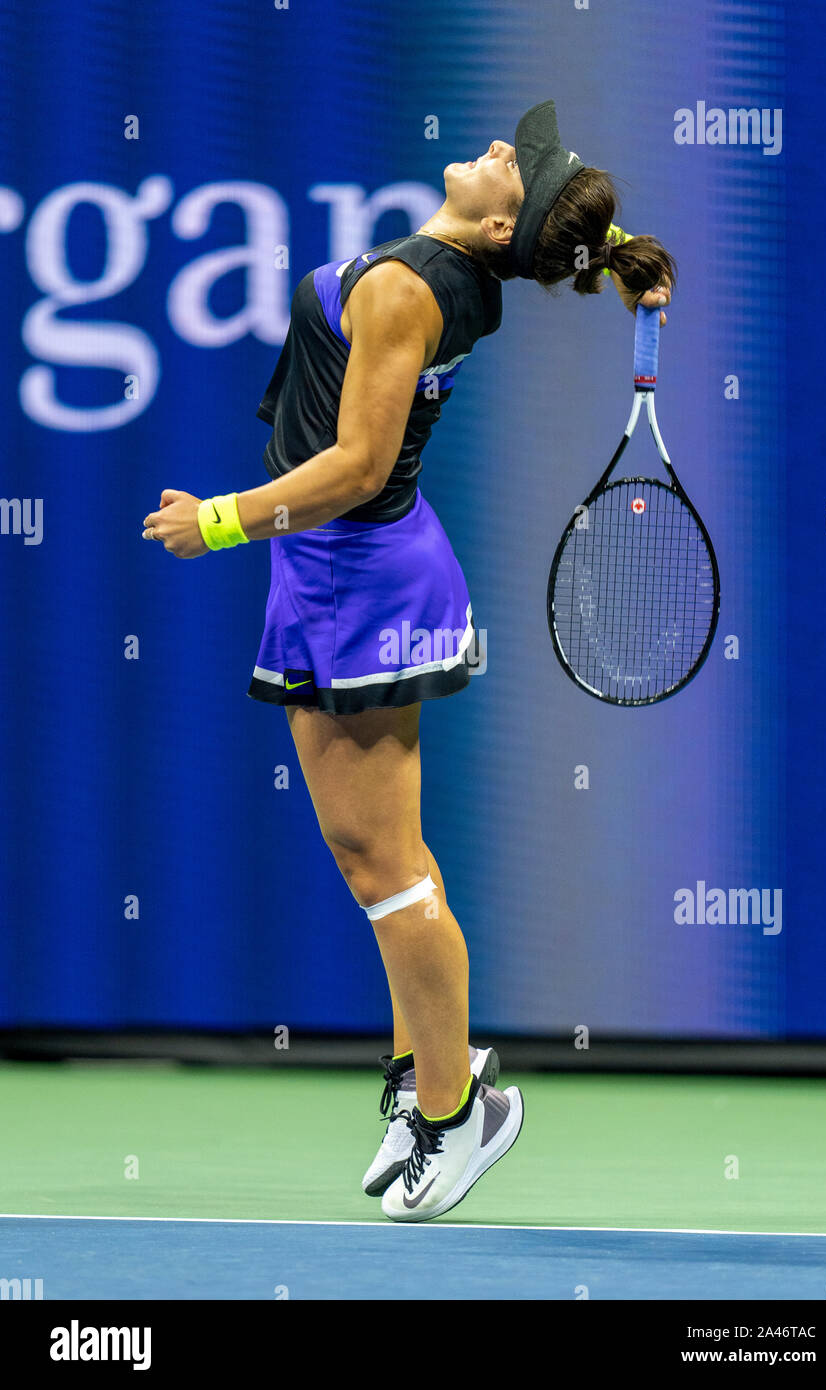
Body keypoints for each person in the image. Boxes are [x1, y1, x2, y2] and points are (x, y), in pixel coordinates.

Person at [143, 100, 676, 1223]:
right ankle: (421, 1074)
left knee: (378, 860)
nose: (499, 150)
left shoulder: (408, 285)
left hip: (351, 573)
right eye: (513, 152)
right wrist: (620, 266)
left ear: (498, 230)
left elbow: (354, 461)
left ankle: (454, 1111)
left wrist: (224, 520)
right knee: (382, 854)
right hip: (351, 572)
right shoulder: (449, 271)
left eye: (515, 167)